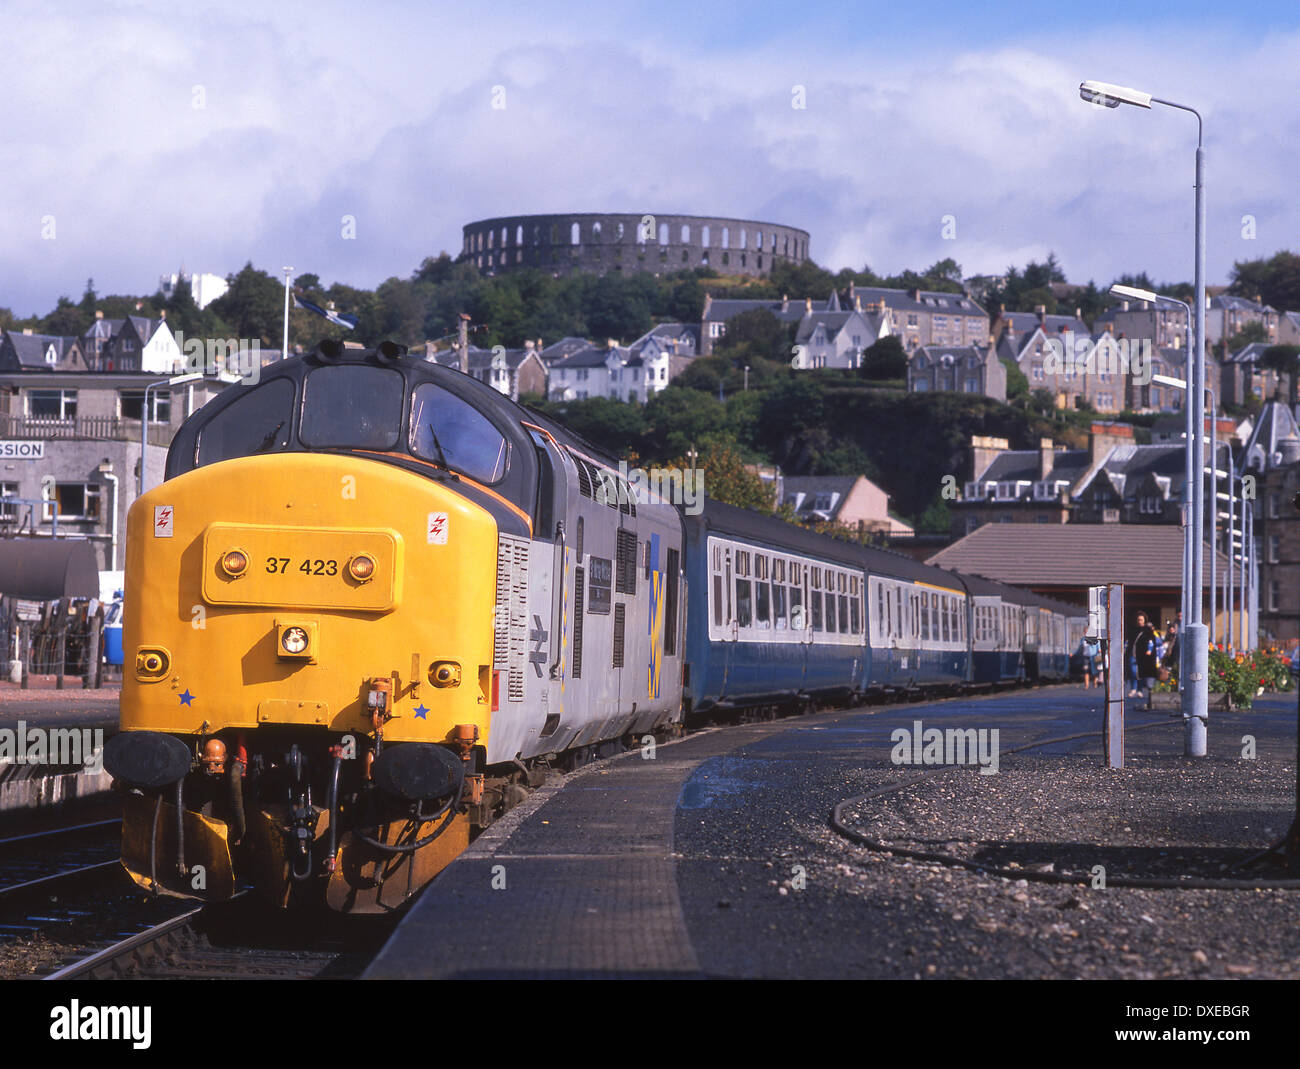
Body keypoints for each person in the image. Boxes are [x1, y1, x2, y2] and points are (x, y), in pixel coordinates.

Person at [1126, 611, 1159, 709]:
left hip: (1142, 655)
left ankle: (1139, 690)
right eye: (1138, 620)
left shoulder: (1148, 630)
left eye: (1141, 620)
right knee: (1132, 671)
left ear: (1144, 620)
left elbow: (1151, 641)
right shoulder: (1133, 630)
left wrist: (1149, 650)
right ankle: (1133, 688)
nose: (1139, 621)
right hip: (1133, 654)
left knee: (1140, 672)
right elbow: (1129, 642)